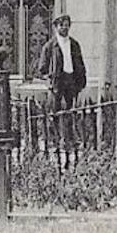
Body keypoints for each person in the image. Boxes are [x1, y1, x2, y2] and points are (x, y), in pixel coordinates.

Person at [36, 13, 87, 145]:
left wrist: (81, 80)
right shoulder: (50, 46)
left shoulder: (74, 44)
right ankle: (55, 139)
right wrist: (49, 80)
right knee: (55, 111)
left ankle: (69, 138)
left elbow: (80, 63)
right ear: (55, 27)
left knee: (70, 110)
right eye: (61, 26)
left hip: (71, 80)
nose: (64, 28)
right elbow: (42, 68)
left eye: (66, 26)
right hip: (57, 81)